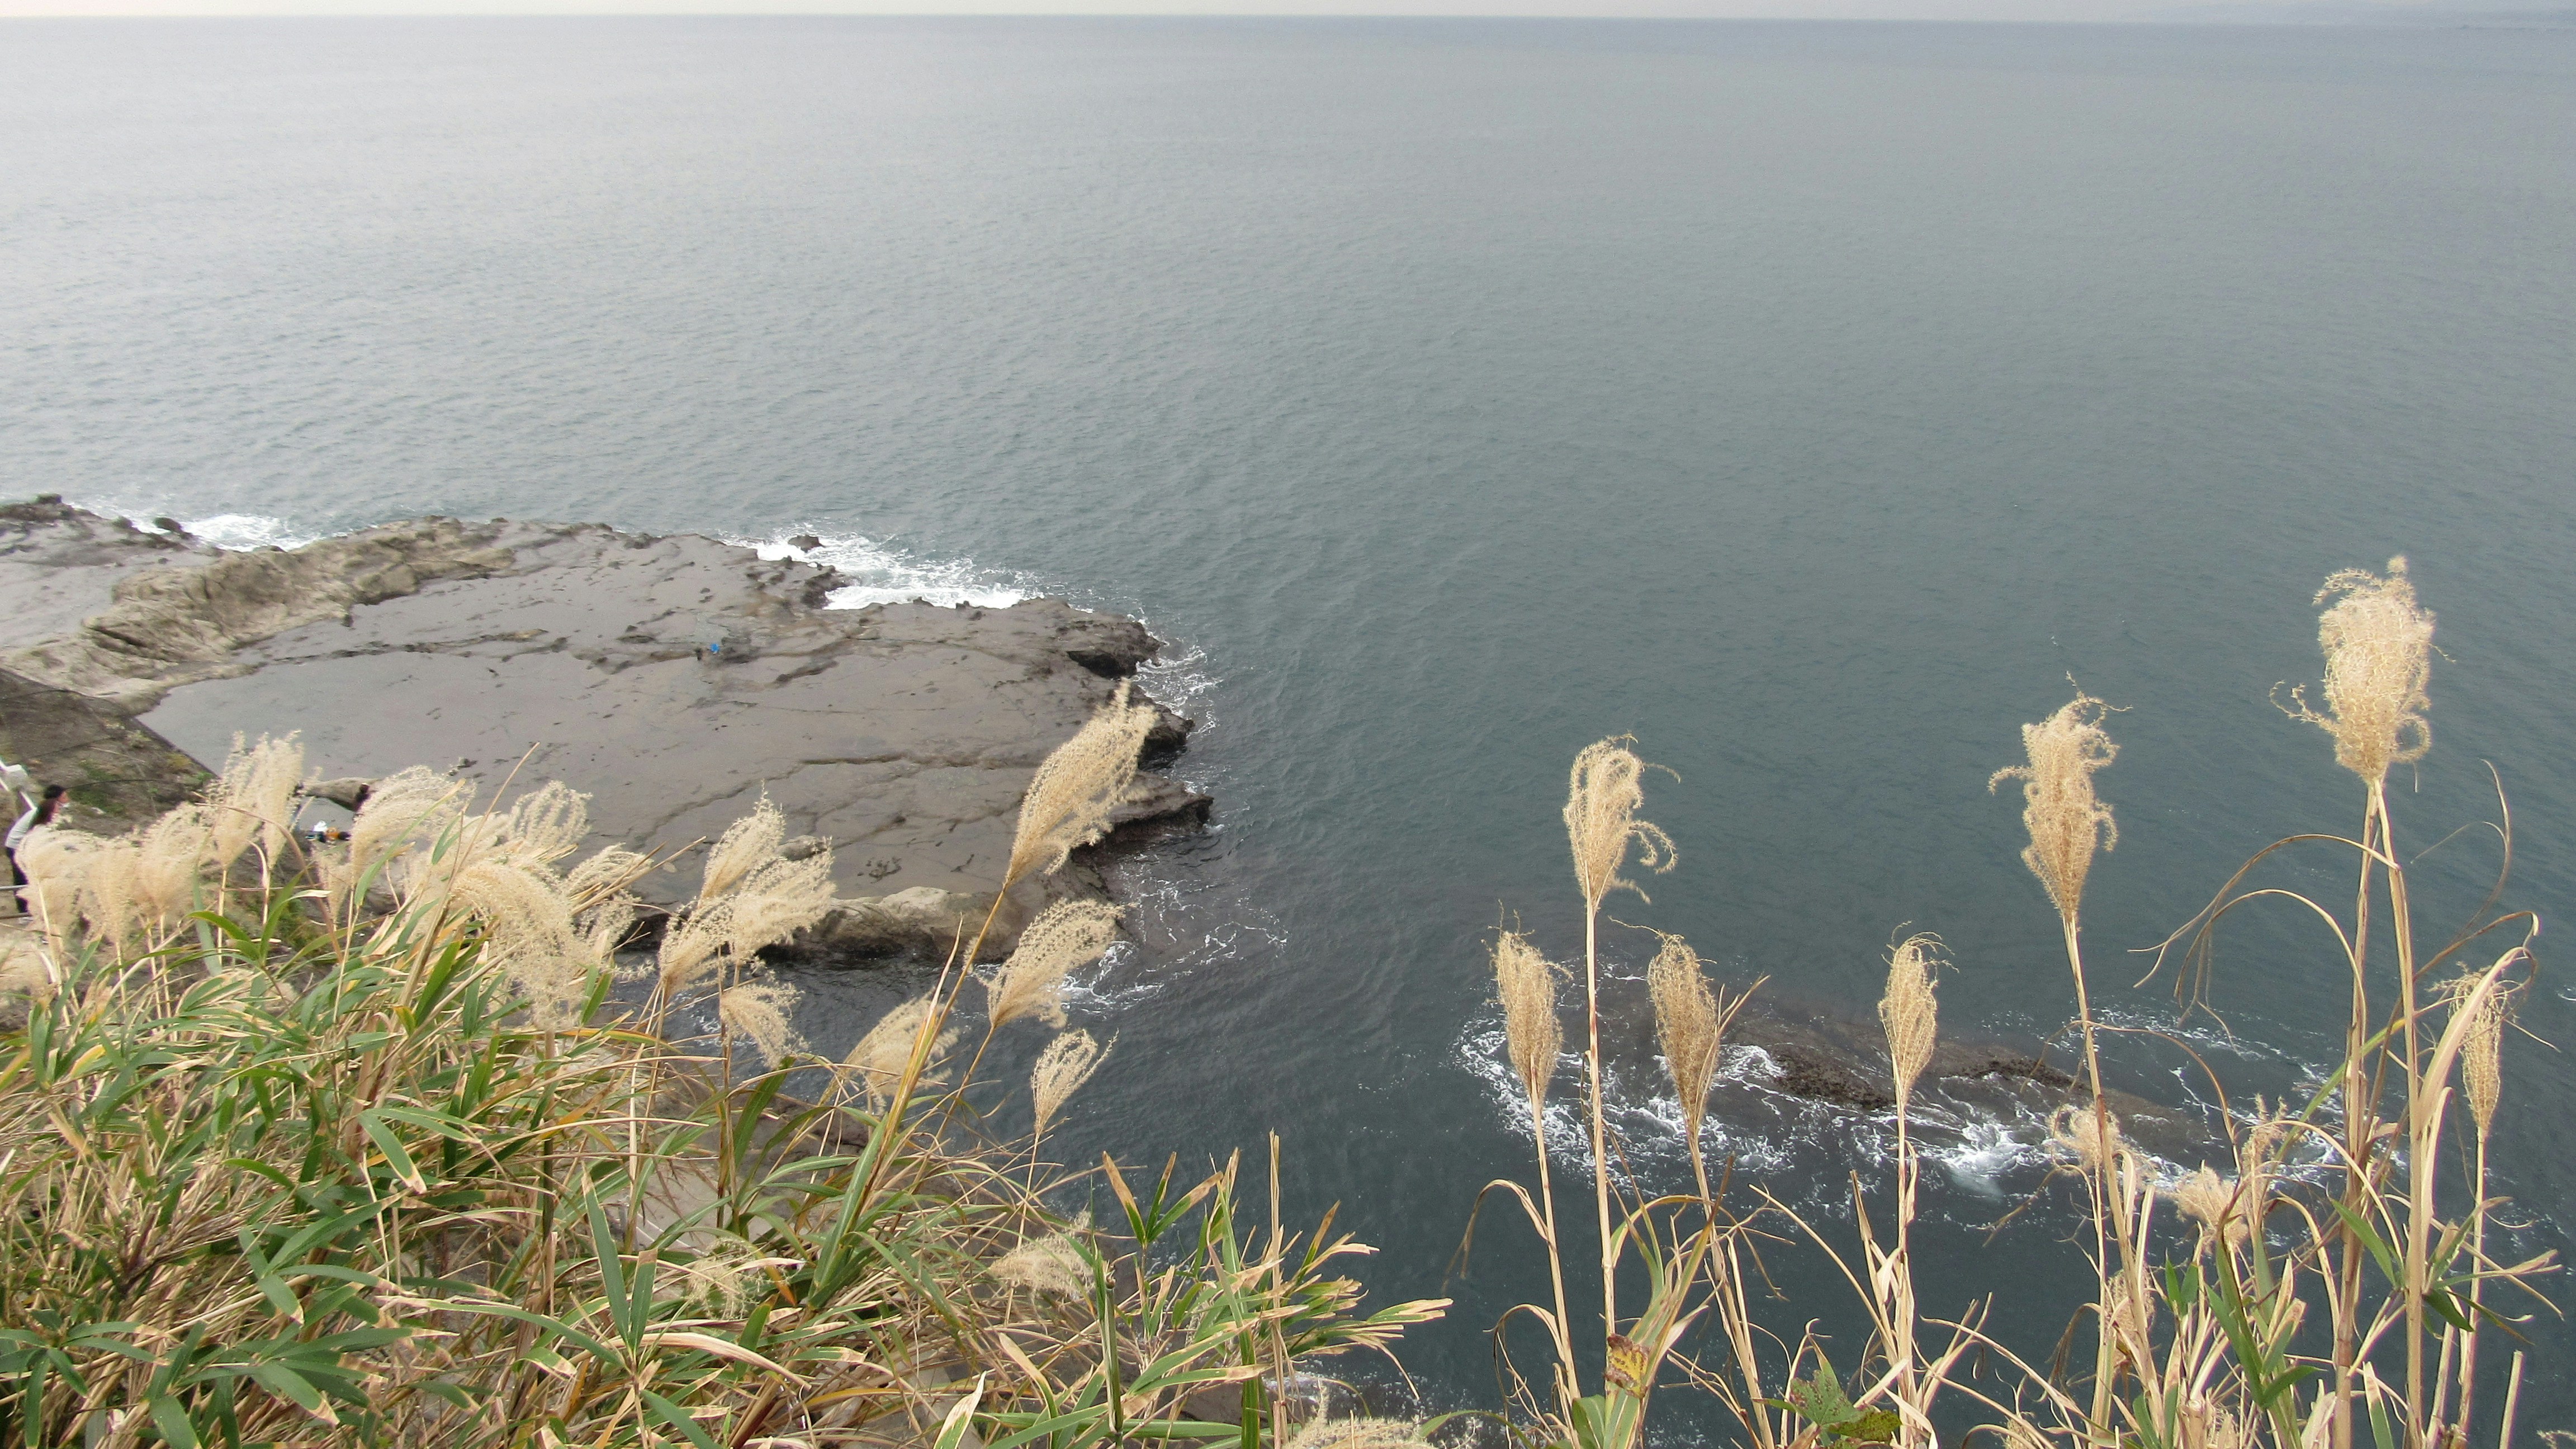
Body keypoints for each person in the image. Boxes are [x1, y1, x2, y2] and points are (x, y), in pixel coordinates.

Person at [7, 784, 67, 915]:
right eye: (64, 797)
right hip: (16, 847)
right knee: (22, 879)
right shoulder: (39, 815)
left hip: (25, 846)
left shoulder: (43, 813)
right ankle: (23, 913)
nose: (67, 799)